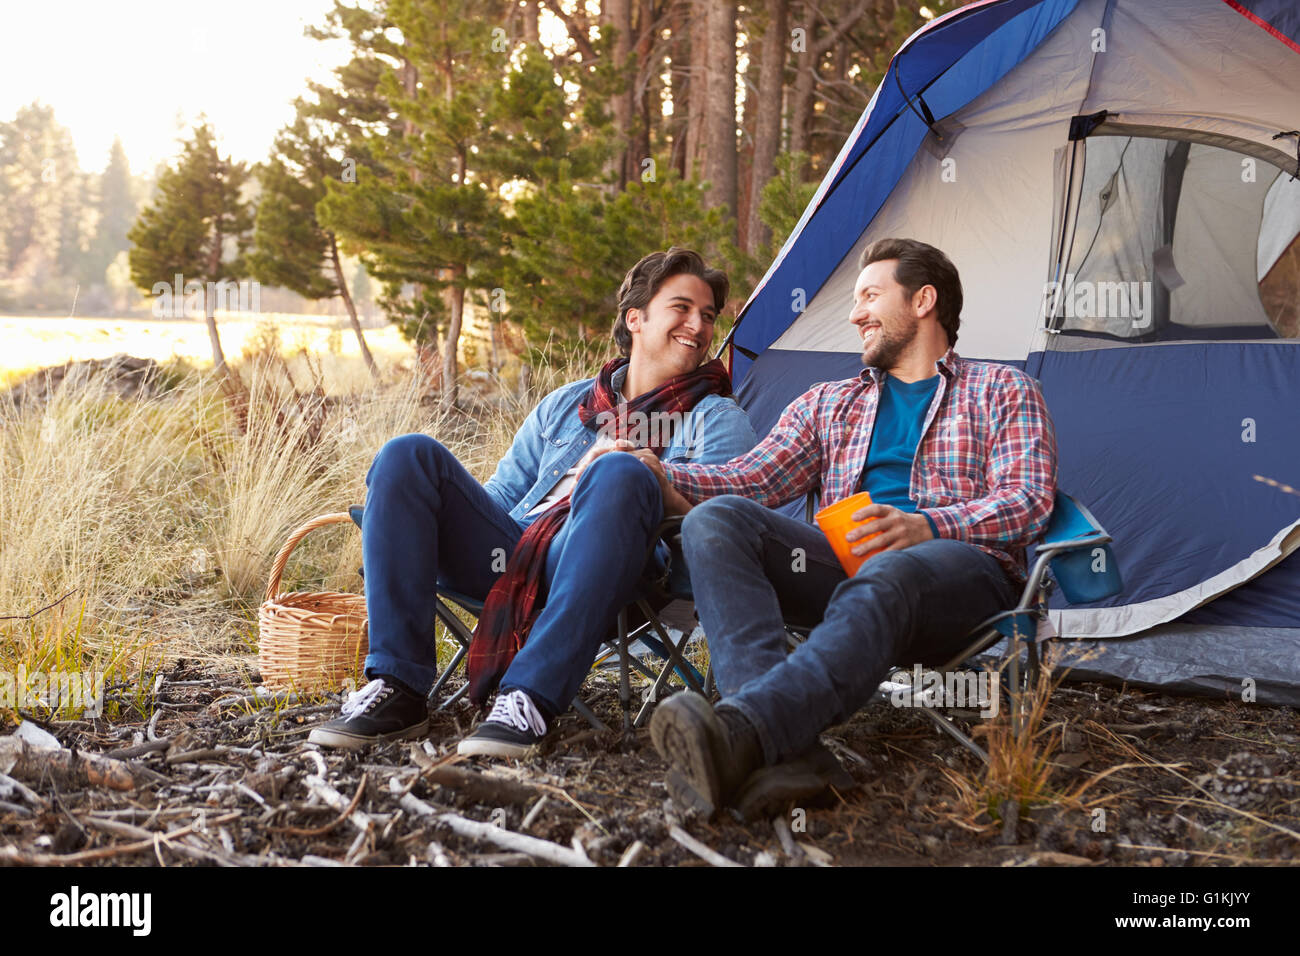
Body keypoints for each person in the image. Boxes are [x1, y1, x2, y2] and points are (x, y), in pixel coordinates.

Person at [632, 237, 1058, 819]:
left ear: (923, 301)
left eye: (869, 296)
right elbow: (751, 478)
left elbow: (1029, 500)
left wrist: (926, 526)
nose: (855, 313)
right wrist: (658, 472)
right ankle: (788, 752)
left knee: (894, 571)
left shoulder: (1004, 391)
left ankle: (744, 730)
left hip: (959, 577)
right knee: (715, 520)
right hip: (843, 568)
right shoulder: (830, 404)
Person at [309, 248, 757, 757]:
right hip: (515, 552)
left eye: (707, 316)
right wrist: (421, 519)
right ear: (636, 318)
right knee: (407, 454)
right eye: (682, 308)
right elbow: (501, 498)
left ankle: (528, 697)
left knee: (617, 469)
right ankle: (397, 688)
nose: (698, 326)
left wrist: (643, 476)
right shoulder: (568, 405)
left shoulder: (717, 417)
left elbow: (721, 526)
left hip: (612, 566)